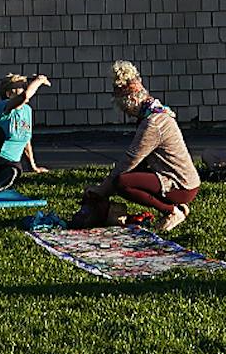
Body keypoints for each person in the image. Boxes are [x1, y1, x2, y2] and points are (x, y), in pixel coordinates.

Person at [77, 61, 202, 232]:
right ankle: (175, 205)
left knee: (122, 182)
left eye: (126, 109)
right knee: (126, 178)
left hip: (181, 184)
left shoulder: (153, 123)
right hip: (181, 179)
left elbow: (130, 160)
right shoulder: (156, 112)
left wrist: (104, 188)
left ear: (132, 101)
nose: (127, 114)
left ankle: (172, 211)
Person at [0, 72, 49, 191]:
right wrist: (38, 81)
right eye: (19, 87)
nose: (23, 89)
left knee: (14, 170)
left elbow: (26, 140)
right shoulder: (3, 106)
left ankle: (0, 183)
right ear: (8, 93)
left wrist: (34, 167)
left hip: (8, 162)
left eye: (24, 86)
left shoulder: (27, 110)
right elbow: (24, 97)